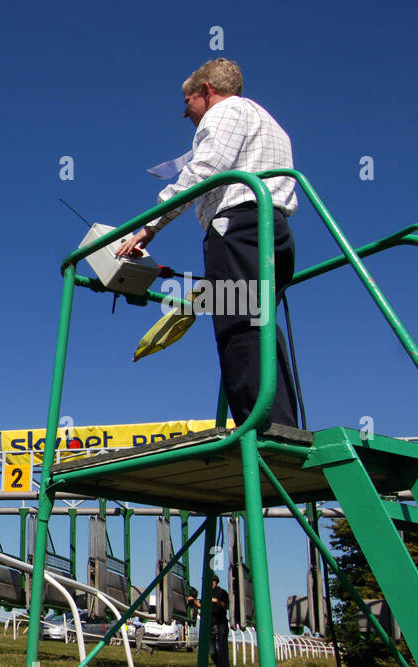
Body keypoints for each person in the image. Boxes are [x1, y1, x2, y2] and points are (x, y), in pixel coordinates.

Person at [117, 58, 299, 428]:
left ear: (205, 91)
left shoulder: (226, 112)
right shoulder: (269, 123)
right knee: (260, 322)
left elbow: (204, 170)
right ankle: (280, 424)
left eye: (187, 102)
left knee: (238, 326)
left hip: (238, 228)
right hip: (273, 231)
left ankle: (258, 431)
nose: (185, 113)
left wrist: (150, 225)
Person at [190, 576, 232, 667]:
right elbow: (201, 605)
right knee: (212, 651)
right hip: (208, 625)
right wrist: (193, 601)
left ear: (215, 582)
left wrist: (216, 601)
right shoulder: (205, 593)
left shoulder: (222, 593)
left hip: (220, 624)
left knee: (221, 650)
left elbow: (227, 606)